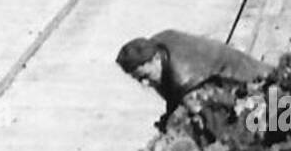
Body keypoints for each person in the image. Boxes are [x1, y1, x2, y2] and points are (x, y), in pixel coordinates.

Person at [115, 30, 269, 118]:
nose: (145, 84)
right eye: (138, 80)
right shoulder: (159, 43)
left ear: (155, 58)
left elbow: (212, 121)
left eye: (145, 77)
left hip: (259, 85)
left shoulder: (186, 79)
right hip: (245, 69)